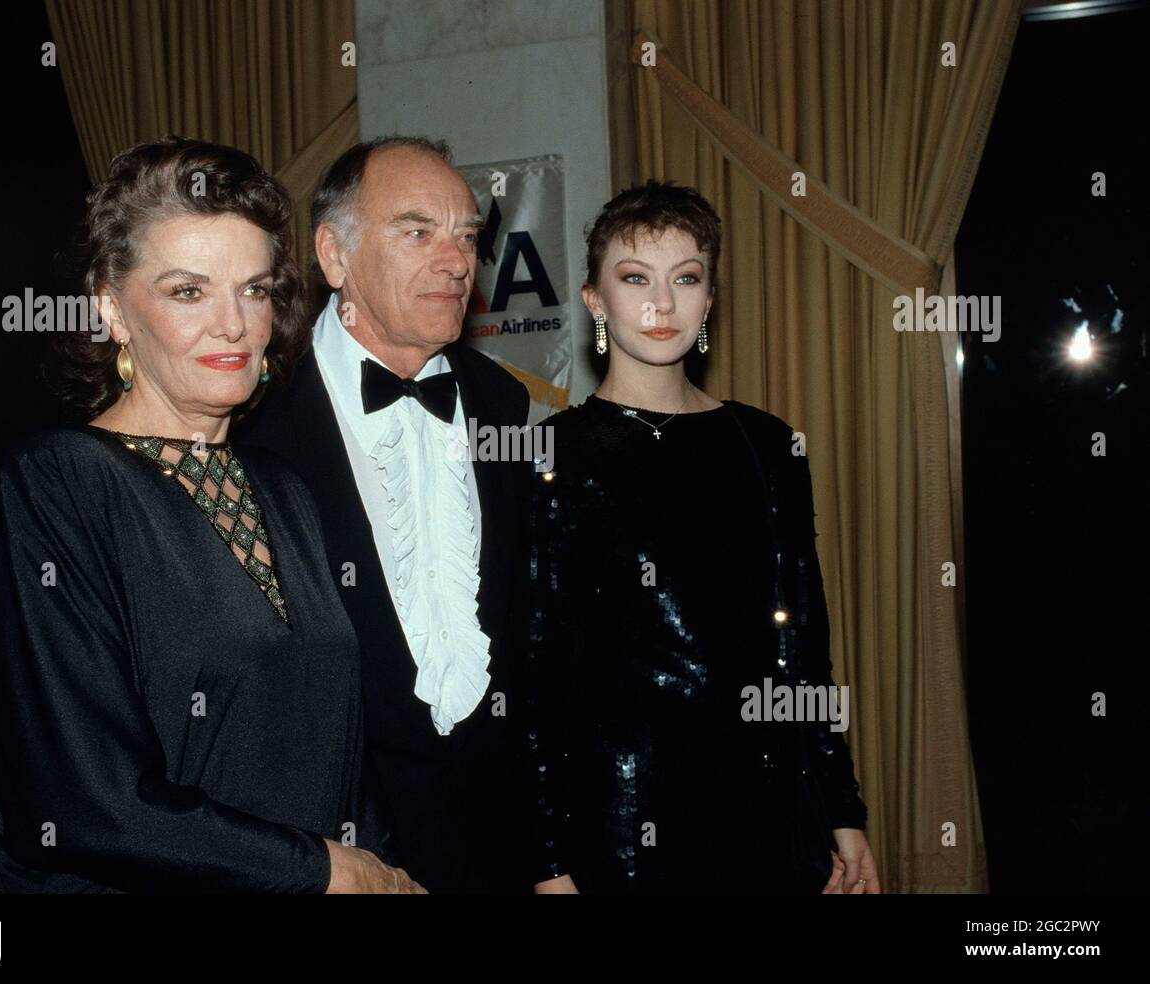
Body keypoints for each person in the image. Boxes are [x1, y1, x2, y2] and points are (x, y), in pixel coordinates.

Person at [0, 136, 421, 893]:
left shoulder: (283, 490)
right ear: (112, 307)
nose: (233, 324)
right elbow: (84, 796)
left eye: (254, 289)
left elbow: (340, 749)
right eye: (187, 291)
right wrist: (319, 871)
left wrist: (380, 868)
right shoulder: (54, 488)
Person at [522, 181, 880, 893]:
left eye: (685, 278)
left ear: (709, 300)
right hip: (620, 819)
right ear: (596, 301)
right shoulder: (552, 453)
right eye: (635, 279)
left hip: (767, 814)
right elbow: (535, 671)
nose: (662, 304)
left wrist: (842, 809)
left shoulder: (769, 444)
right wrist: (547, 862)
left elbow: (803, 642)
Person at [235, 137, 530, 893]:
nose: (457, 260)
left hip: (494, 850)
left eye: (467, 235)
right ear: (333, 257)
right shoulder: (253, 419)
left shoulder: (504, 404)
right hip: (335, 858)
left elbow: (525, 643)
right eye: (417, 231)